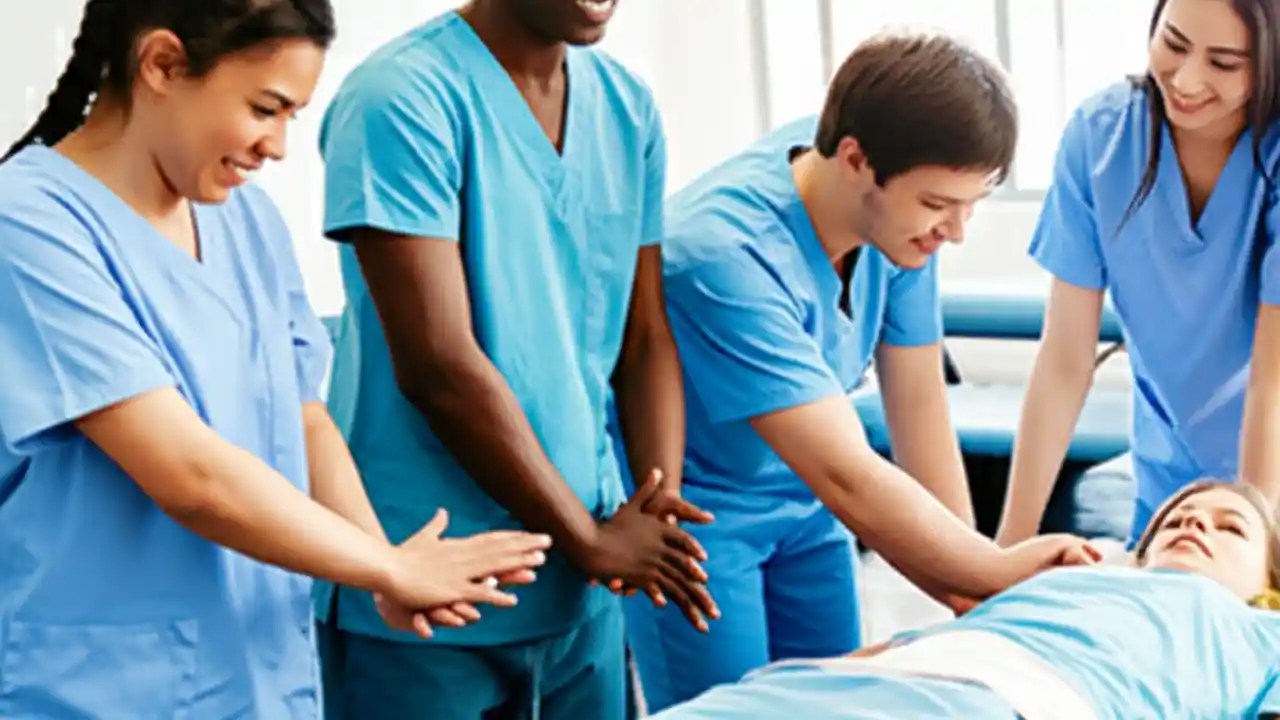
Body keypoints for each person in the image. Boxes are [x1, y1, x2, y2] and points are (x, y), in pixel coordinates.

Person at [0, 2, 553, 717]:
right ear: (162, 64)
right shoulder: (28, 225)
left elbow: (306, 419)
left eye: (293, 116)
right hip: (103, 688)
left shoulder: (245, 219)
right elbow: (189, 475)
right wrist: (386, 564)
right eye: (267, 108)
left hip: (262, 676)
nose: (279, 146)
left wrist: (380, 568)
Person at [624, 30, 1100, 713]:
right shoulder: (718, 255)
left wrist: (969, 586)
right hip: (703, 522)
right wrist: (990, 572)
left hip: (808, 510)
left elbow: (919, 405)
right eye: (939, 205)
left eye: (971, 205)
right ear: (854, 160)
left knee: (842, 700)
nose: (955, 231)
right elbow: (848, 473)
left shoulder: (896, 216)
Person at [311, 1, 716, 718]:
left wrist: (651, 515)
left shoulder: (625, 108)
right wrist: (589, 538)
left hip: (578, 597)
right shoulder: (400, 98)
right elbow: (438, 365)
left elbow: (643, 334)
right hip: (428, 590)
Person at [997, 0, 1280, 549]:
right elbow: (1064, 359)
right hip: (1171, 488)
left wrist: (1255, 562)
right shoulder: (1102, 139)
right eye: (1173, 44)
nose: (1188, 79)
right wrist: (1004, 551)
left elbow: (1274, 382)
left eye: (1224, 63)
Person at [653, 479, 1280, 719]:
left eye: (1230, 529)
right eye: (1178, 518)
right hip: (853, 689)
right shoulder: (1073, 578)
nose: (1196, 525)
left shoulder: (1258, 633)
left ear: (1267, 586)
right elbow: (910, 642)